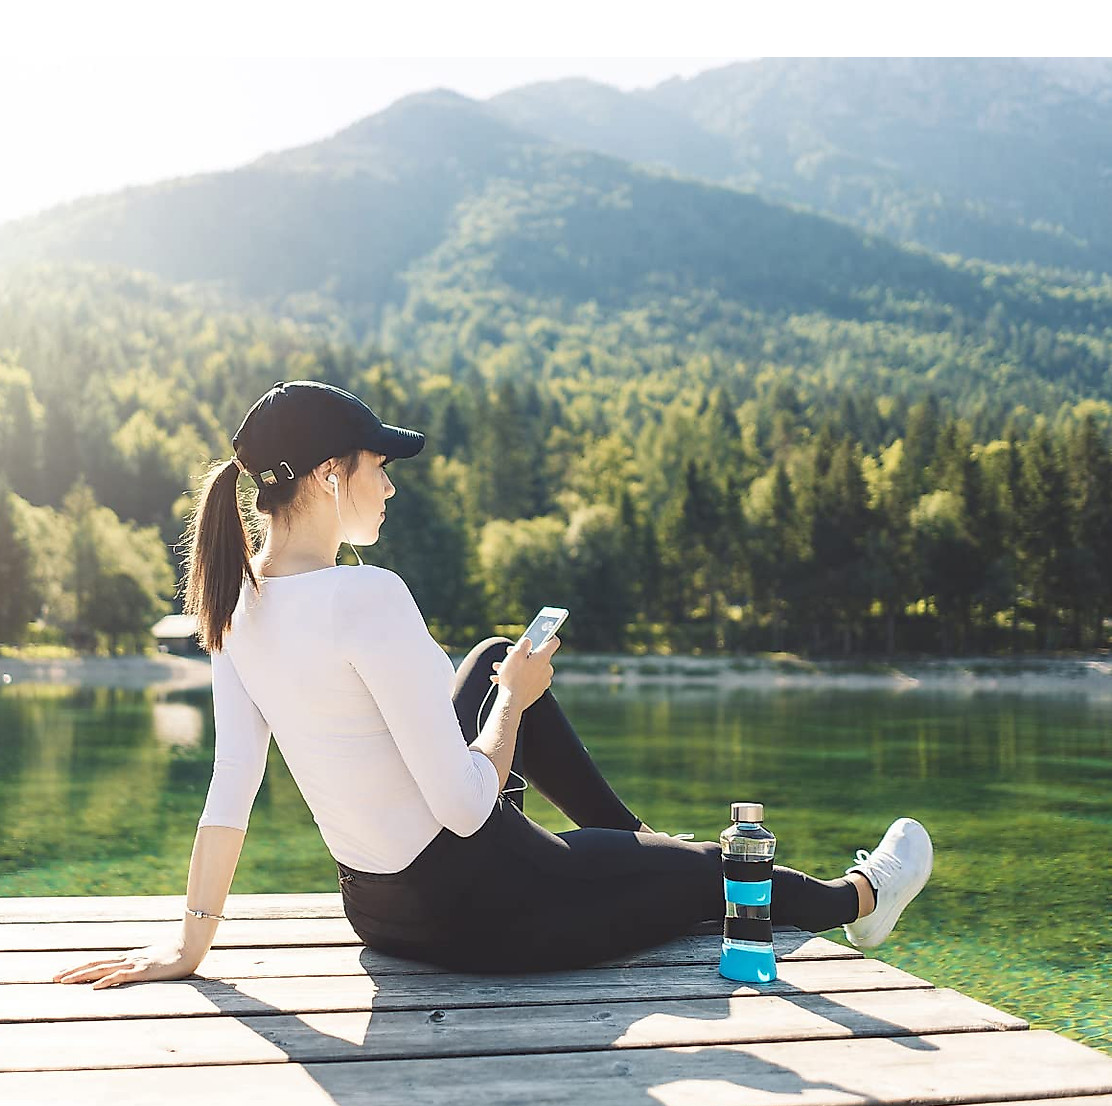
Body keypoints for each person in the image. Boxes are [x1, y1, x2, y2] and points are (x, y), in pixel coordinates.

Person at [52, 380, 932, 988]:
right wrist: (514, 696)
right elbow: (469, 807)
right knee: (709, 871)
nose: (389, 486)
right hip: (491, 911)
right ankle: (861, 899)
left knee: (487, 653)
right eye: (378, 466)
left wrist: (188, 948)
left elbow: (231, 786)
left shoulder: (233, 600)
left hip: (380, 912)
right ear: (329, 475)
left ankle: (629, 840)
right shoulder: (369, 597)